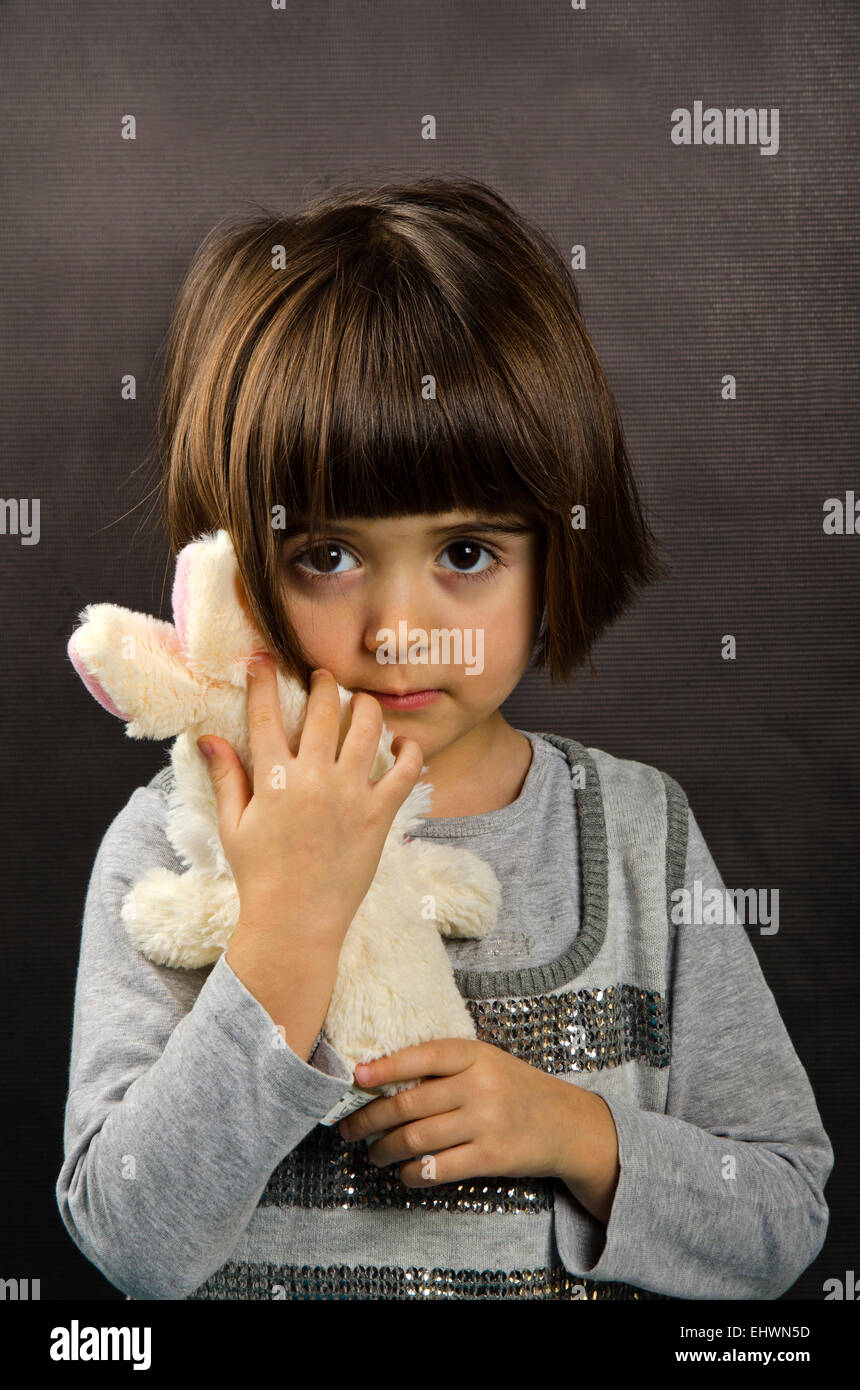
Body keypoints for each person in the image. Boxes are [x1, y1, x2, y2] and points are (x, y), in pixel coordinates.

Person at [56, 177, 833, 1300]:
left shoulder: (635, 834)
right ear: (228, 570)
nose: (399, 631)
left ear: (558, 548)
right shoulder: (175, 841)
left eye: (465, 553)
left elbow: (779, 1212)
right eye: (327, 555)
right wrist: (286, 929)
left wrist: (573, 1131)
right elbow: (130, 1237)